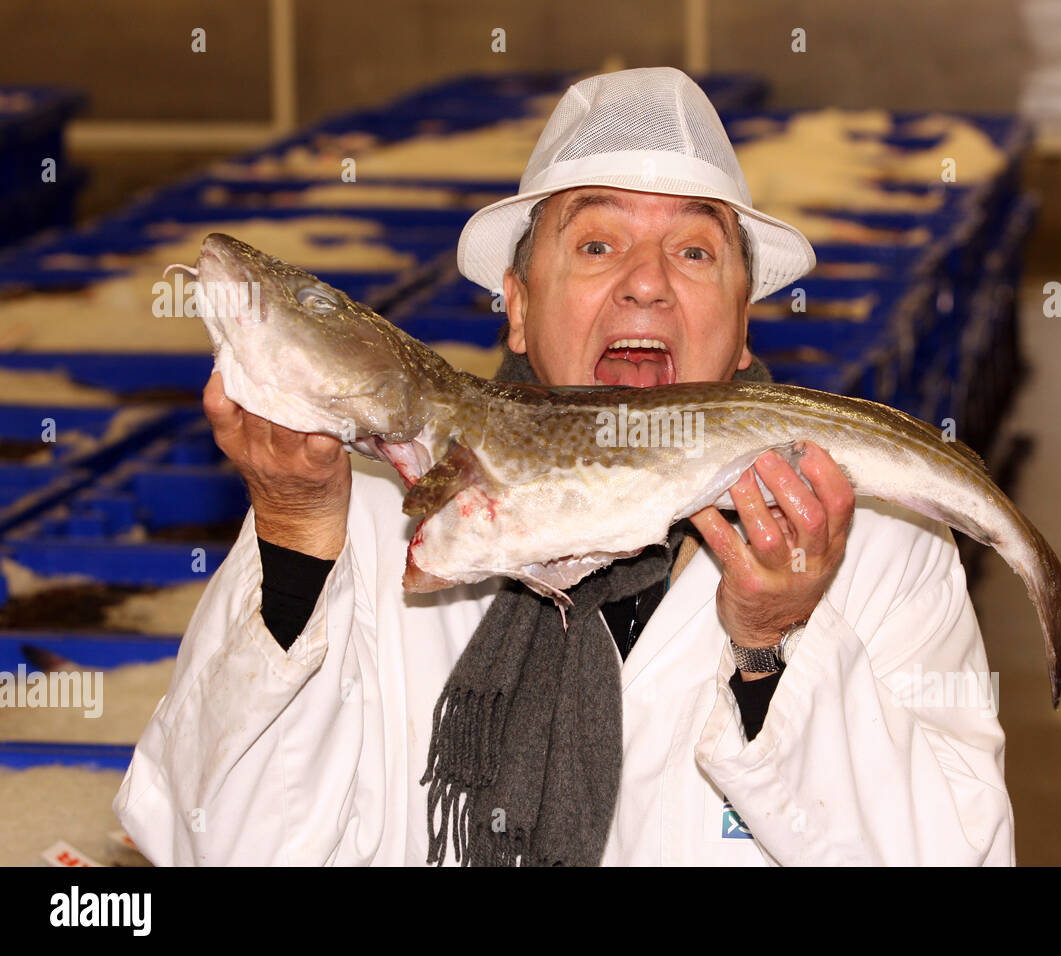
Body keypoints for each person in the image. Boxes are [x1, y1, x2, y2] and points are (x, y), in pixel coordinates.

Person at [114, 66, 1013, 866]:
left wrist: (775, 647)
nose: (647, 281)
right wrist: (294, 539)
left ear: (743, 329)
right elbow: (210, 842)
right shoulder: (352, 517)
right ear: (517, 306)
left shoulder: (875, 544)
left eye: (695, 251)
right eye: (595, 244)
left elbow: (960, 852)